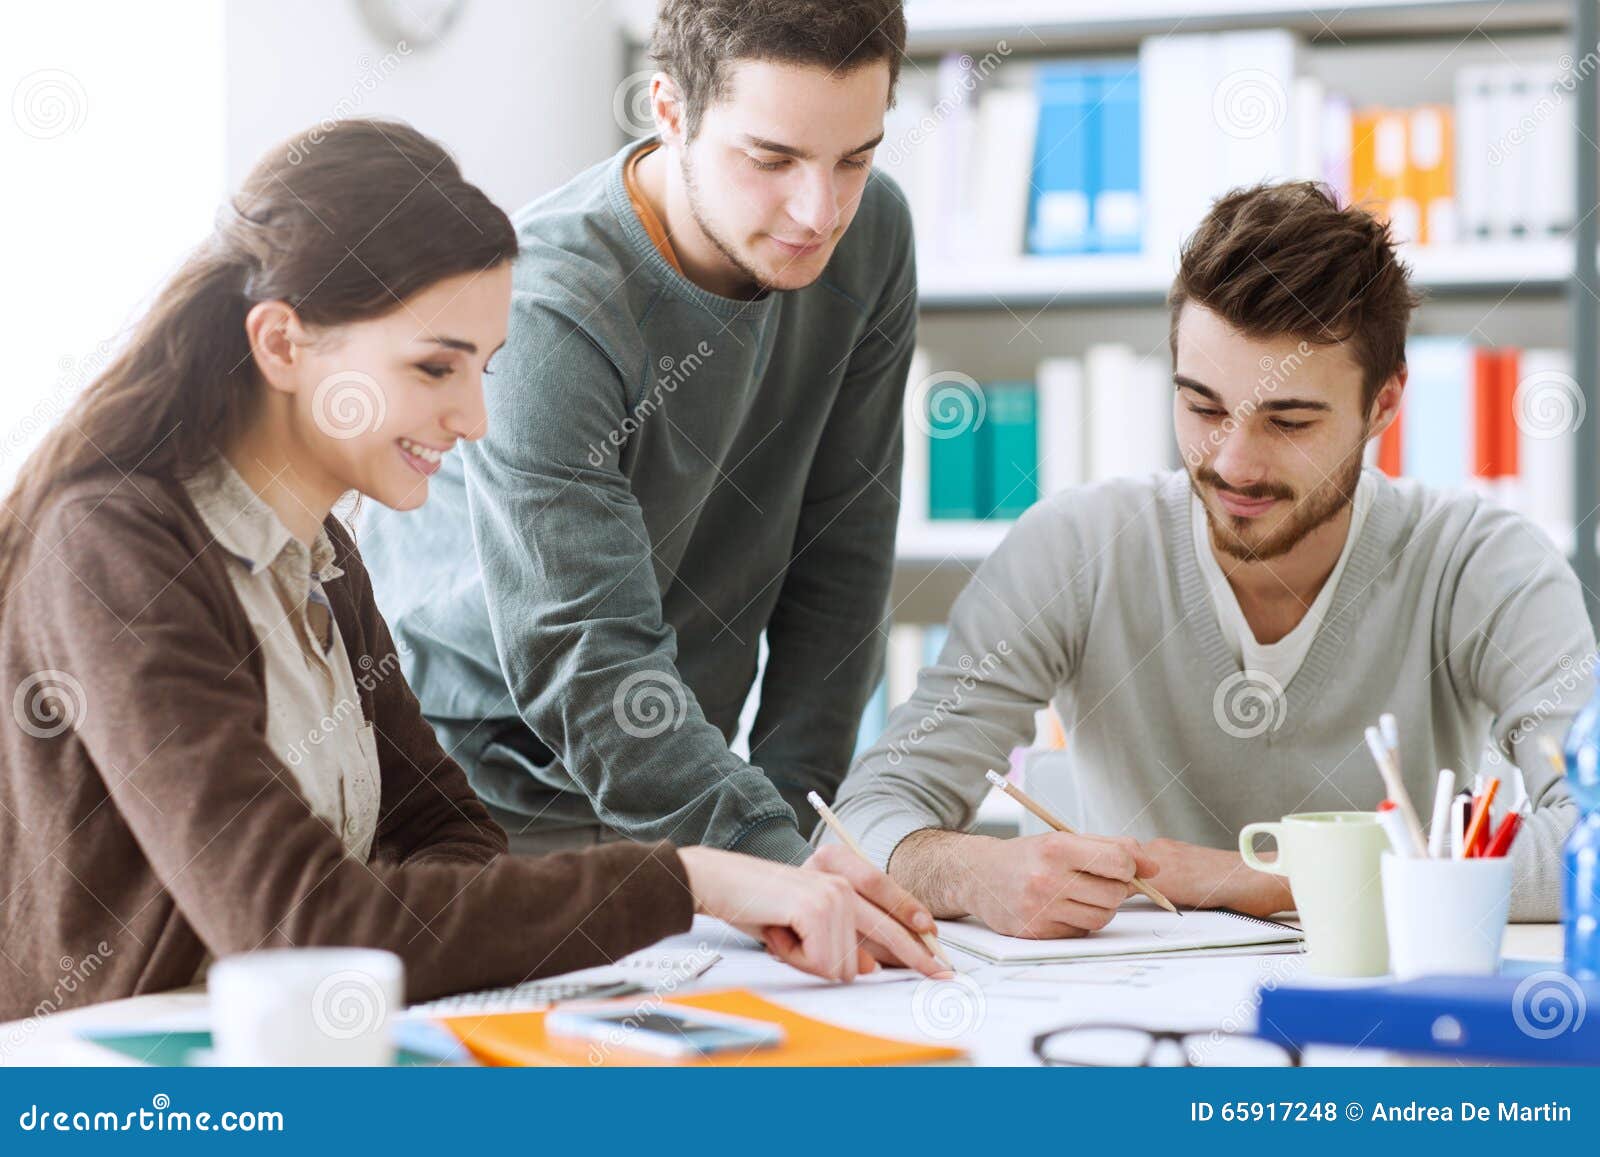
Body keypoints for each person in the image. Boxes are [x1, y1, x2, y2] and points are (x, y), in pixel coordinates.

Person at [0, 119, 940, 1022]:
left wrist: (398, 920)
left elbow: (453, 835)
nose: (474, 421)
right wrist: (688, 877)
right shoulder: (110, 549)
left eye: (483, 369)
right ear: (282, 344)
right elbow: (298, 924)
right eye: (433, 368)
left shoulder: (323, 556)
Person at [827, 181, 1593, 935]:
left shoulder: (1484, 565)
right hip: (1130, 1008)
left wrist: (1255, 878)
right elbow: (863, 815)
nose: (1233, 463)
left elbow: (1591, 835)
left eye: (1289, 422)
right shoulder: (1075, 549)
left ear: (1384, 404)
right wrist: (975, 870)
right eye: (1202, 406)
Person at [358, 0, 916, 867]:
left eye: (855, 157)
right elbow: (584, 651)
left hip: (680, 771)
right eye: (772, 159)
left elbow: (844, 550)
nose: (820, 211)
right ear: (670, 110)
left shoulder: (872, 234)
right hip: (467, 795)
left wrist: (797, 830)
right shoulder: (547, 310)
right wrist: (772, 861)